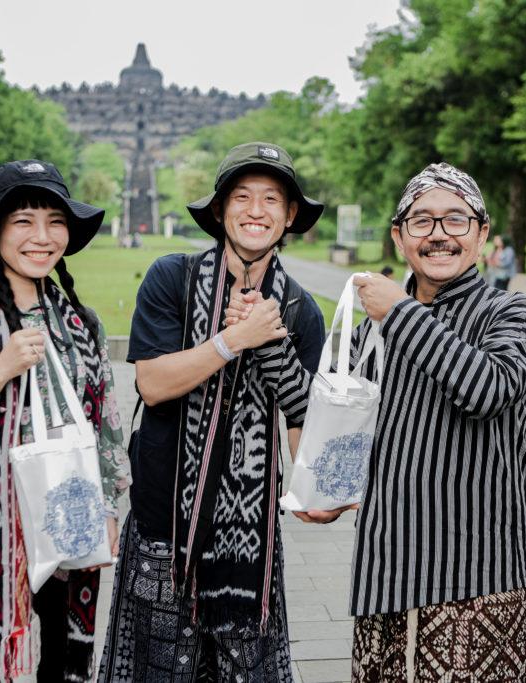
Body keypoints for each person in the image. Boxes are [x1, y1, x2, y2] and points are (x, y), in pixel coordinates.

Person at [98, 142, 326, 681]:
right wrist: (233, 340)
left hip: (248, 546)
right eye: (241, 196)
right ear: (220, 210)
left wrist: (272, 345)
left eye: (272, 198)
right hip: (164, 529)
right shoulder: (171, 278)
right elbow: (153, 384)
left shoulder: (300, 310)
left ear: (290, 214)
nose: (256, 210)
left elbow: (304, 432)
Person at [0, 159, 130, 682]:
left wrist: (108, 507)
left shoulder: (83, 324)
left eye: (55, 221)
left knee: (62, 664)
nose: (42, 236)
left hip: (70, 526)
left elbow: (106, 428)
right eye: (23, 221)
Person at [344, 163, 526, 681]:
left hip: (476, 580)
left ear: (481, 234)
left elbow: (488, 391)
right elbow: (342, 422)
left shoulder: (511, 312)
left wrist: (401, 314)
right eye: (422, 221)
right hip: (385, 573)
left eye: (456, 219)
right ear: (399, 237)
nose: (438, 234)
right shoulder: (370, 330)